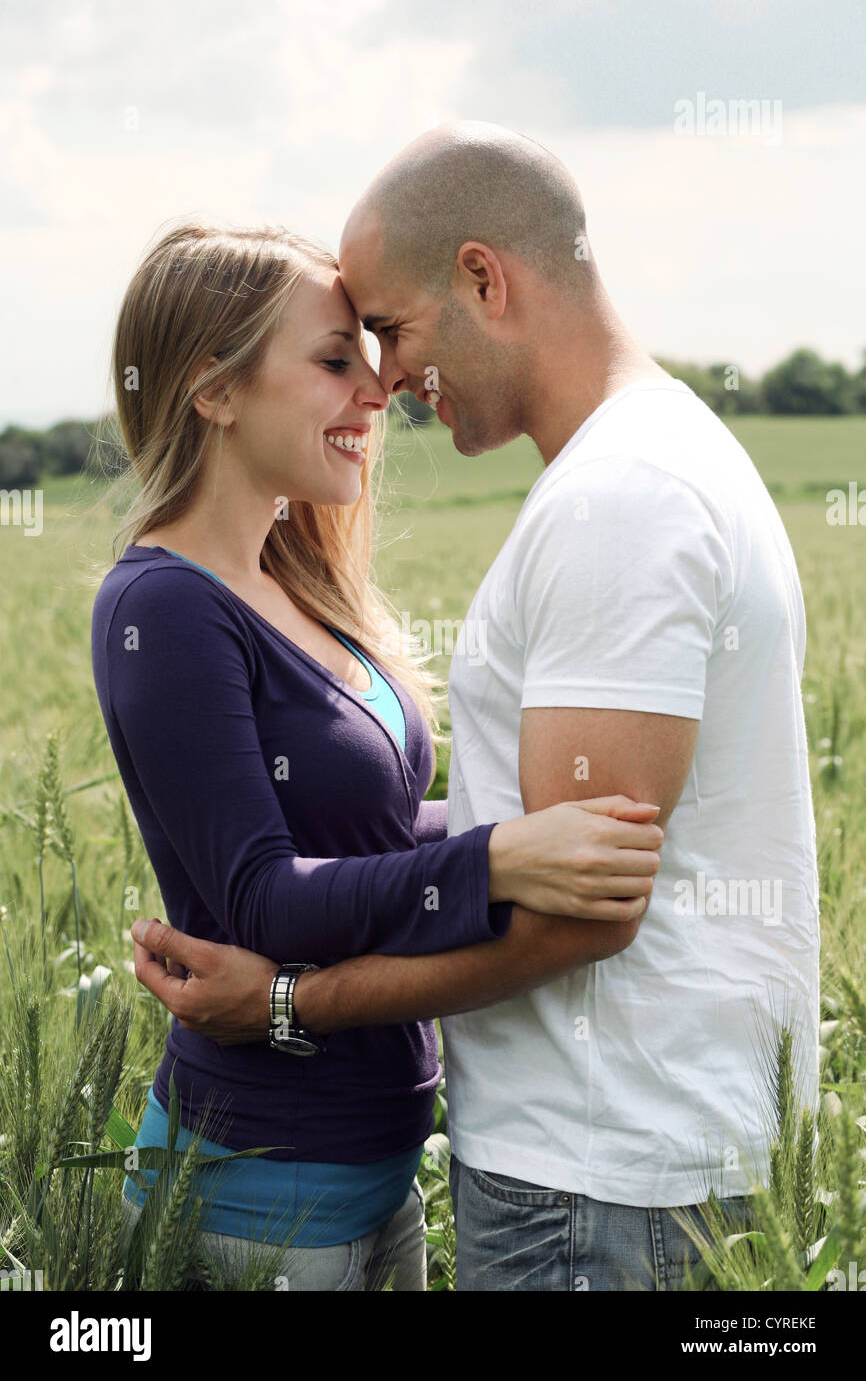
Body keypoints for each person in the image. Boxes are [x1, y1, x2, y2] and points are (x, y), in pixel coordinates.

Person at [134, 122, 820, 1292]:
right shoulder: (645, 465)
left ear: (483, 279)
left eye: (388, 334)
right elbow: (531, 846)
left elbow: (581, 908)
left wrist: (292, 1003)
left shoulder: (619, 500)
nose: (385, 383)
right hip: (616, 1168)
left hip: (599, 1178)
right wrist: (487, 850)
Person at [92, 217, 664, 1292]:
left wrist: (533, 832)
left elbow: (369, 836)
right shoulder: (162, 606)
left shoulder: (292, 578)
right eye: (331, 362)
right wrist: (499, 861)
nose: (378, 391)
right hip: (259, 1190)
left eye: (370, 358)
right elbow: (261, 898)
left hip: (379, 1167)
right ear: (213, 391)